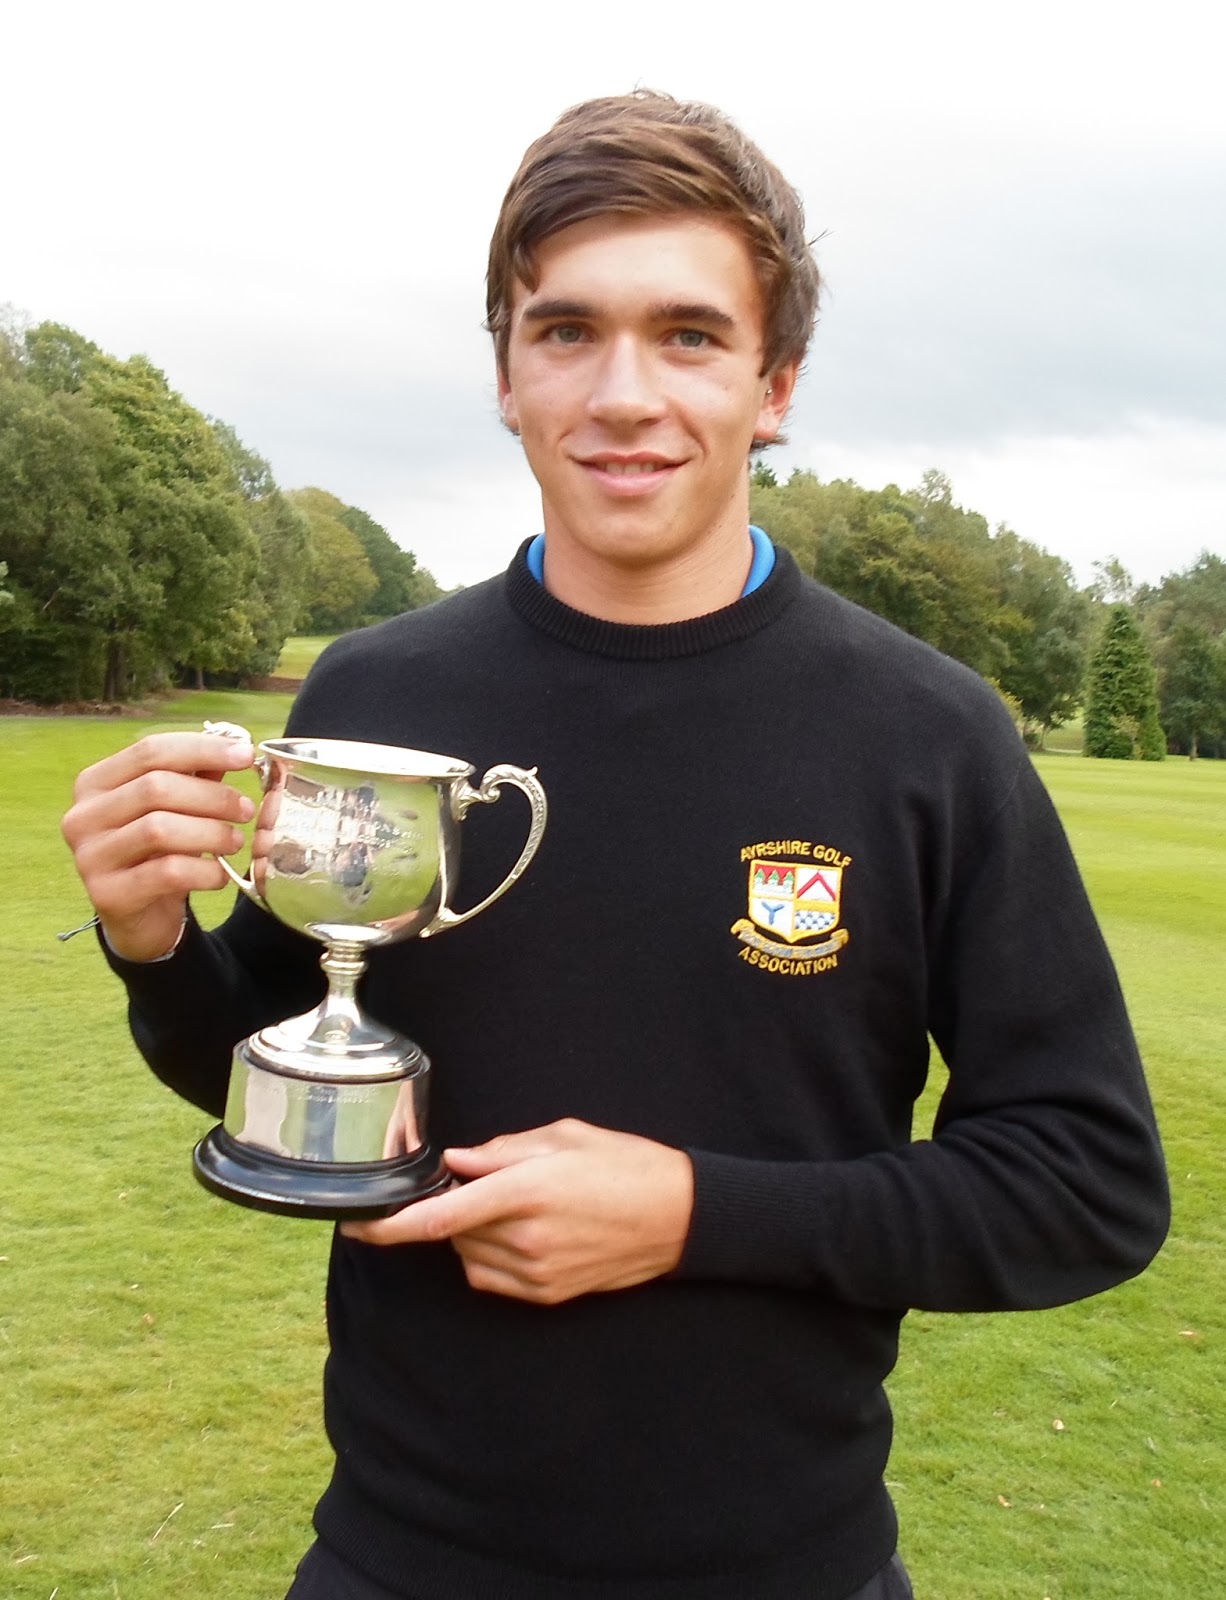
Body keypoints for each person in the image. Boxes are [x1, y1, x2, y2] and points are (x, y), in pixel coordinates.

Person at [62, 91, 1169, 1600]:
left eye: (690, 336)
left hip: (786, 1568)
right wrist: (151, 945)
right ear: (507, 374)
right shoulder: (380, 698)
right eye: (566, 330)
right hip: (400, 1560)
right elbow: (275, 1087)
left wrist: (698, 1213)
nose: (623, 392)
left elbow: (1084, 1185)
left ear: (773, 384)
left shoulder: (924, 733)